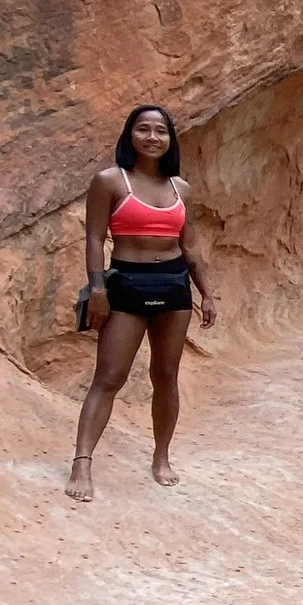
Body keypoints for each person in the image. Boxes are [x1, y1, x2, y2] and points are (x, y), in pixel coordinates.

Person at [67, 105, 218, 501]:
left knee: (166, 375)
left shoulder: (180, 188)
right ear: (129, 135)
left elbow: (191, 245)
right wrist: (97, 289)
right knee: (109, 376)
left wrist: (207, 293)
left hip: (173, 285)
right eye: (143, 129)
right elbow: (95, 238)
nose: (152, 137)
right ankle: (82, 462)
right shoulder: (110, 181)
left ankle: (162, 455)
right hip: (126, 284)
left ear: (170, 139)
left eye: (160, 131)